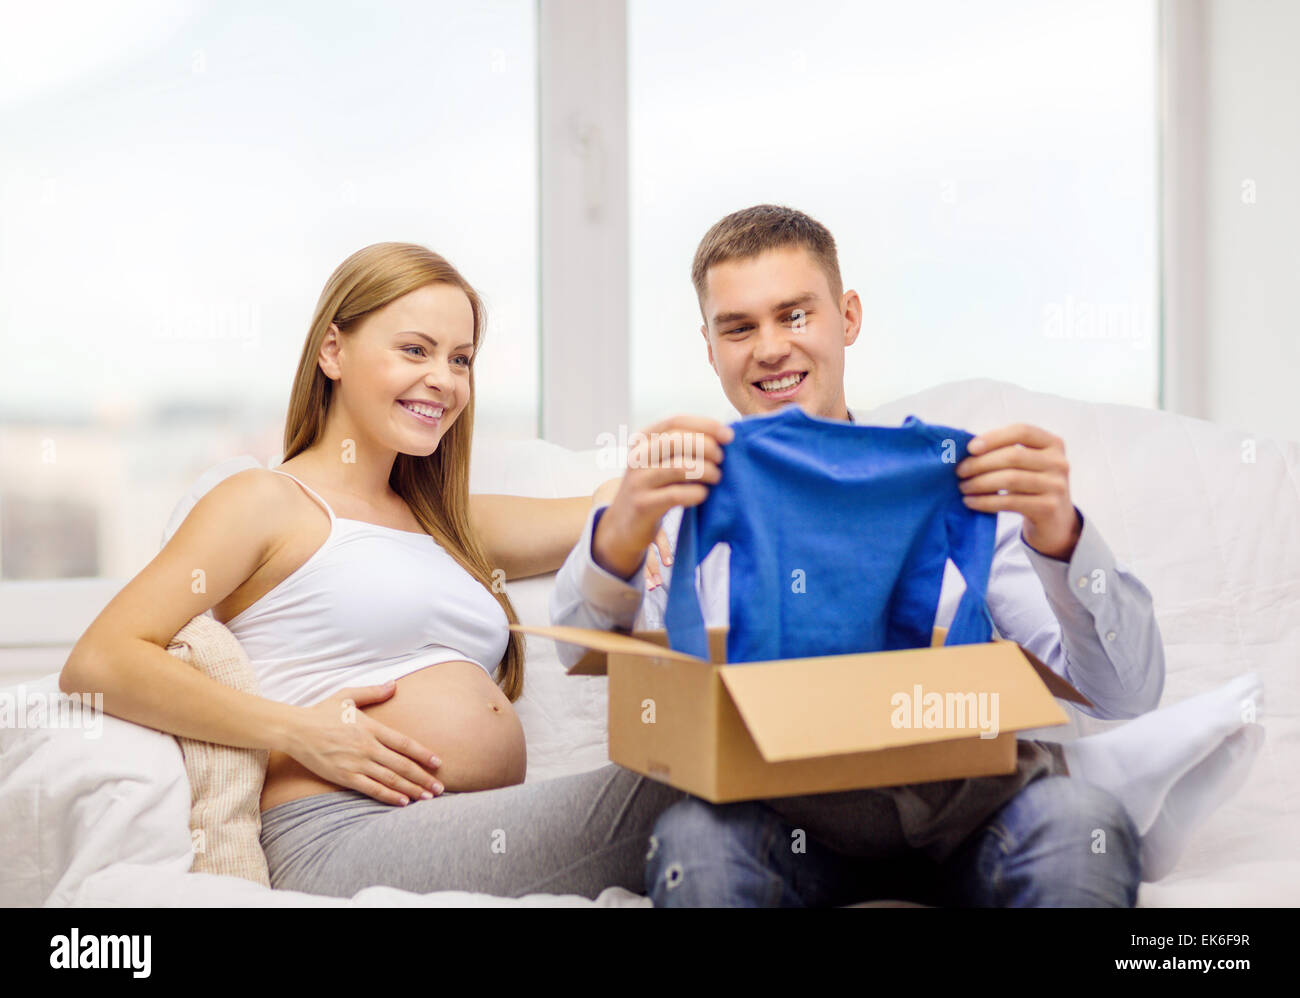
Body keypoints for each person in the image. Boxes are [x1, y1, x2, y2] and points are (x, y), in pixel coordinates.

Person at [549, 204, 1264, 906]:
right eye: (739, 327)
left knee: (1081, 828)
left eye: (795, 315)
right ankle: (1103, 774)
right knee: (695, 846)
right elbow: (593, 652)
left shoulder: (958, 485)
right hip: (778, 825)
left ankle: (1095, 776)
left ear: (848, 317)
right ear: (710, 348)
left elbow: (1124, 690)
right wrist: (621, 532)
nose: (769, 347)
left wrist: (1063, 536)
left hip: (975, 818)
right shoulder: (682, 505)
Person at [60, 241, 687, 900]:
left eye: (461, 359)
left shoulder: (445, 521)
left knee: (713, 795)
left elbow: (599, 507)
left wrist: (652, 504)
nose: (443, 379)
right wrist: (296, 730)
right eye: (414, 350)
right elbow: (99, 660)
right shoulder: (264, 502)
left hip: (463, 825)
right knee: (689, 770)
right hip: (339, 834)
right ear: (333, 351)